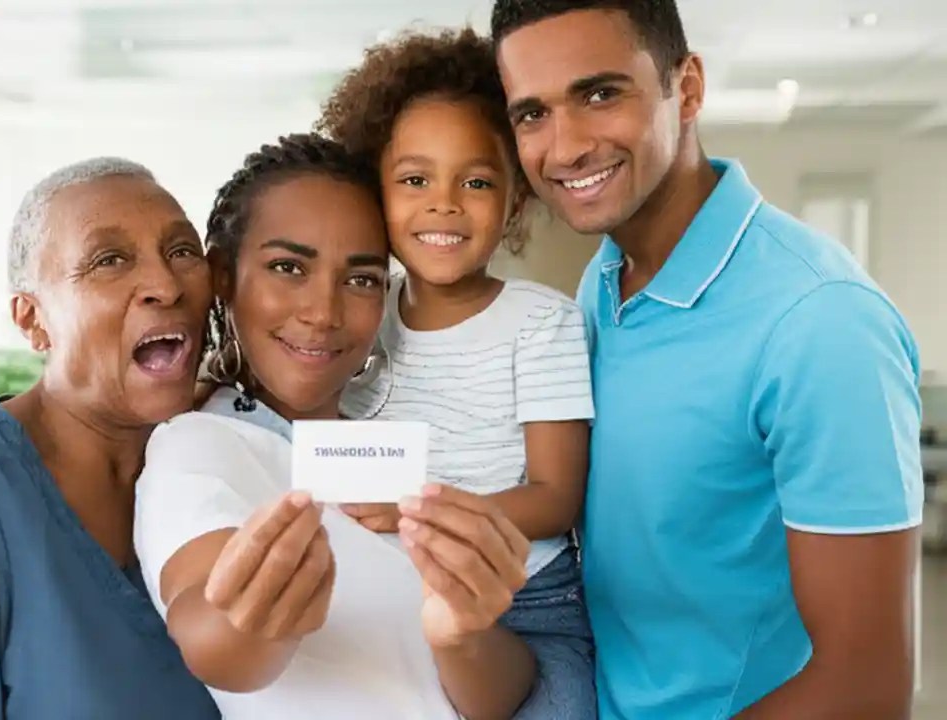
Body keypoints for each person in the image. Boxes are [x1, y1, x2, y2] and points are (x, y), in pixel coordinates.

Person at [491, 1, 923, 718]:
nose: (563, 148)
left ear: (686, 88)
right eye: (532, 113)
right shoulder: (603, 284)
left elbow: (865, 685)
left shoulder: (822, 320)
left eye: (600, 94)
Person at [134, 133, 536, 720]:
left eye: (361, 279)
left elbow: (500, 694)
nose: (323, 312)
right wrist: (254, 623)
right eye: (287, 267)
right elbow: (211, 639)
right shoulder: (200, 443)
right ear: (223, 275)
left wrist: (461, 632)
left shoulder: (395, 454)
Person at [0, 158, 221, 719]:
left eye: (182, 251)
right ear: (32, 320)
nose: (165, 285)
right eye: (109, 260)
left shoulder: (229, 460)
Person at [317, 29, 596, 718]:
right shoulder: (361, 314)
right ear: (374, 194)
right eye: (415, 180)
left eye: (475, 182)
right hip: (395, 600)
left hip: (528, 602)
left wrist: (420, 509)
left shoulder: (541, 321)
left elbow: (557, 496)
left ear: (516, 202)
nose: (443, 204)